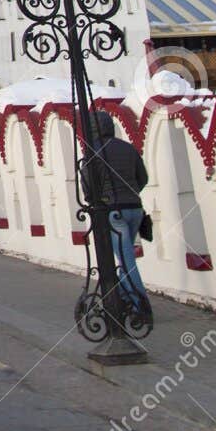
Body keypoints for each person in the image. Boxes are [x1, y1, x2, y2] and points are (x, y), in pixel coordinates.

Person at [79, 110, 149, 315]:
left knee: (126, 260)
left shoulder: (92, 151)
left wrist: (96, 201)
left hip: (112, 211)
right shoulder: (128, 148)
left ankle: (140, 306)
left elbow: (88, 185)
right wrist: (130, 193)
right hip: (135, 209)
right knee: (123, 256)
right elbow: (142, 178)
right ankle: (124, 297)